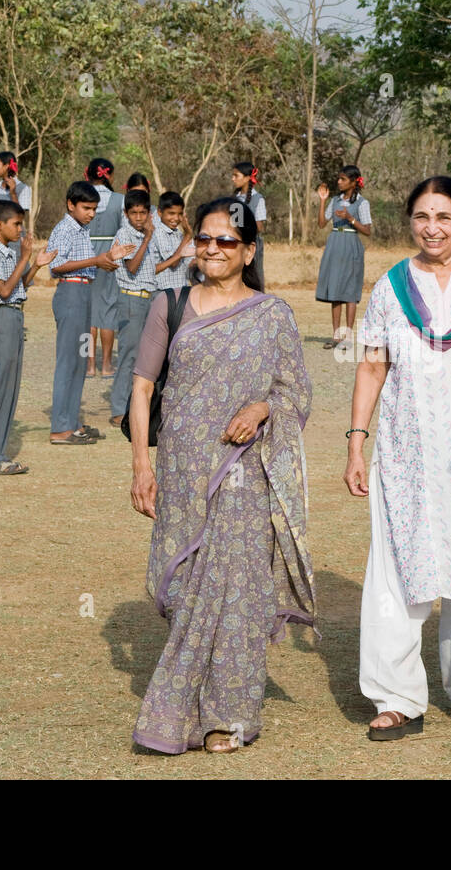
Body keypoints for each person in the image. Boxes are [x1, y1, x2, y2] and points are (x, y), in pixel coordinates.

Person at [128, 196, 315, 754]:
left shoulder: (272, 313)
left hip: (242, 474)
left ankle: (228, 717)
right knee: (185, 584)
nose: (211, 249)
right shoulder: (171, 303)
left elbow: (295, 391)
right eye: (203, 239)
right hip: (181, 469)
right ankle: (192, 707)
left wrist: (262, 410)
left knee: (238, 590)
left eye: (225, 241)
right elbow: (141, 388)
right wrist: (141, 462)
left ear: (248, 251)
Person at [344, 176, 451, 741]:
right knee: (397, 570)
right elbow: (372, 364)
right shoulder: (391, 287)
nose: (432, 228)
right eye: (422, 216)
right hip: (405, 452)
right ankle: (396, 697)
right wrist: (356, 439)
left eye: (444, 217)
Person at [46, 181, 132, 445]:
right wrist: (97, 260)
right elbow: (57, 265)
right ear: (70, 205)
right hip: (70, 294)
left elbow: (86, 264)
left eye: (94, 209)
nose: (91, 214)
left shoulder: (81, 229)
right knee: (68, 363)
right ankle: (60, 428)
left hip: (84, 292)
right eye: (86, 208)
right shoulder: (64, 229)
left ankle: (71, 422)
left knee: (80, 361)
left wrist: (105, 260)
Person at [0, 200, 55, 475]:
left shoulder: (8, 252)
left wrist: (35, 265)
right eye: (16, 224)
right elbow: (5, 292)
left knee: (10, 389)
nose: (20, 230)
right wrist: (25, 257)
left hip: (15, 317)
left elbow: (18, 286)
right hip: (1, 317)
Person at [109, 189, 158, 426]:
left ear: (149, 213)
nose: (138, 217)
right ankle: (119, 408)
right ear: (126, 214)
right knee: (128, 355)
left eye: (142, 213)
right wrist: (147, 239)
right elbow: (132, 267)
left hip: (149, 298)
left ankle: (139, 406)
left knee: (145, 356)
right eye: (134, 213)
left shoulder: (146, 232)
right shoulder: (126, 233)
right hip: (131, 299)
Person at [316, 165, 373, 349]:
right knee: (335, 291)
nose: (339, 182)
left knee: (349, 291)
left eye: (343, 179)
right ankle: (336, 336)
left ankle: (348, 337)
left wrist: (350, 218)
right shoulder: (335, 200)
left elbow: (367, 230)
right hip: (334, 244)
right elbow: (321, 223)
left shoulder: (362, 203)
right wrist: (323, 201)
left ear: (354, 182)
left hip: (351, 245)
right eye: (338, 179)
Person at [85, 158, 125, 378]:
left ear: (88, 175)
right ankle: (107, 365)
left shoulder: (82, 197)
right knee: (108, 311)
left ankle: (89, 366)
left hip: (86, 259)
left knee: (89, 314)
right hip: (110, 259)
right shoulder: (120, 200)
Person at [231, 161, 266, 289]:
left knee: (253, 274)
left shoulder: (258, 199)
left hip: (251, 244)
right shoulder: (234, 198)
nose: (233, 179)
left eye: (236, 176)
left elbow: (259, 227)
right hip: (234, 243)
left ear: (247, 178)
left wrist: (243, 228)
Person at [153, 191, 196, 290]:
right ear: (160, 212)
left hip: (179, 289)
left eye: (180, 214)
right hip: (164, 291)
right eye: (171, 213)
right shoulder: (158, 232)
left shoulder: (177, 233)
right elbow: (173, 263)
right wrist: (188, 235)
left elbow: (187, 260)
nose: (176, 218)